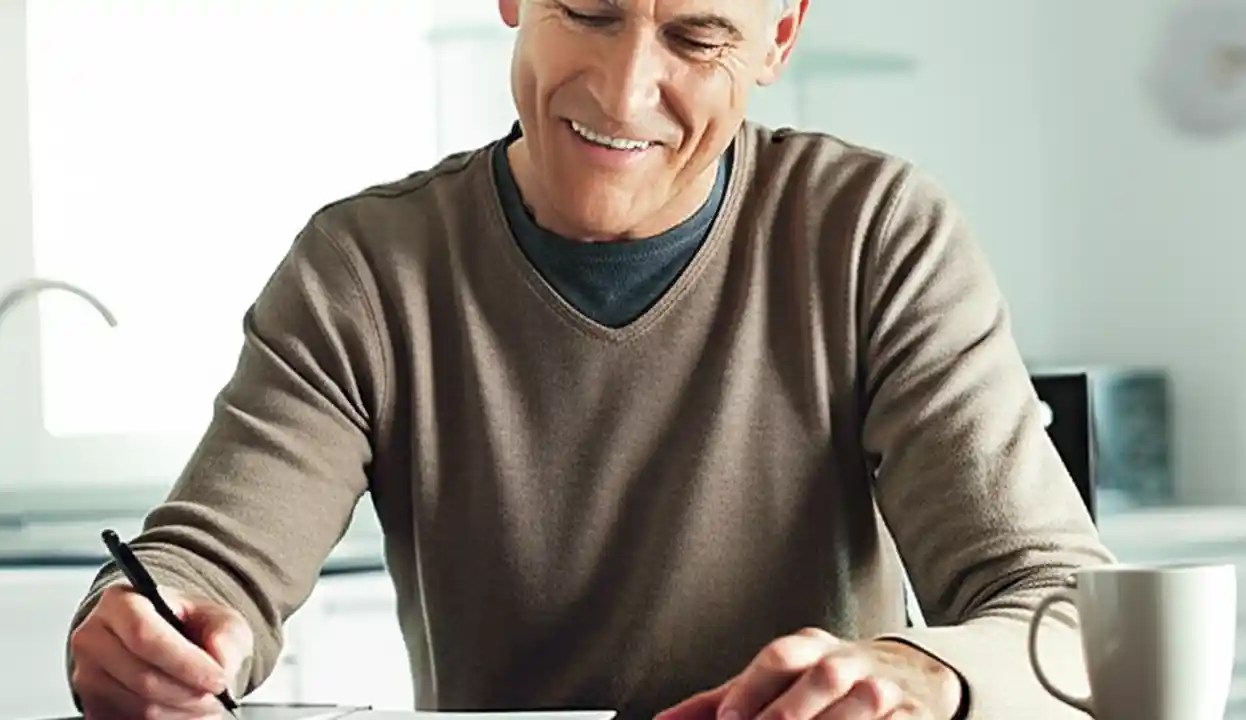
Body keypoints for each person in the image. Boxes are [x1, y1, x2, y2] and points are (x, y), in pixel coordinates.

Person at [65, 0, 1114, 718]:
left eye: (696, 37)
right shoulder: (366, 270)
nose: (622, 92)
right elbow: (210, 568)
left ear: (779, 33)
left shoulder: (874, 236)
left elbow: (1067, 612)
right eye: (591, 10)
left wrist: (914, 675)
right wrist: (149, 633)